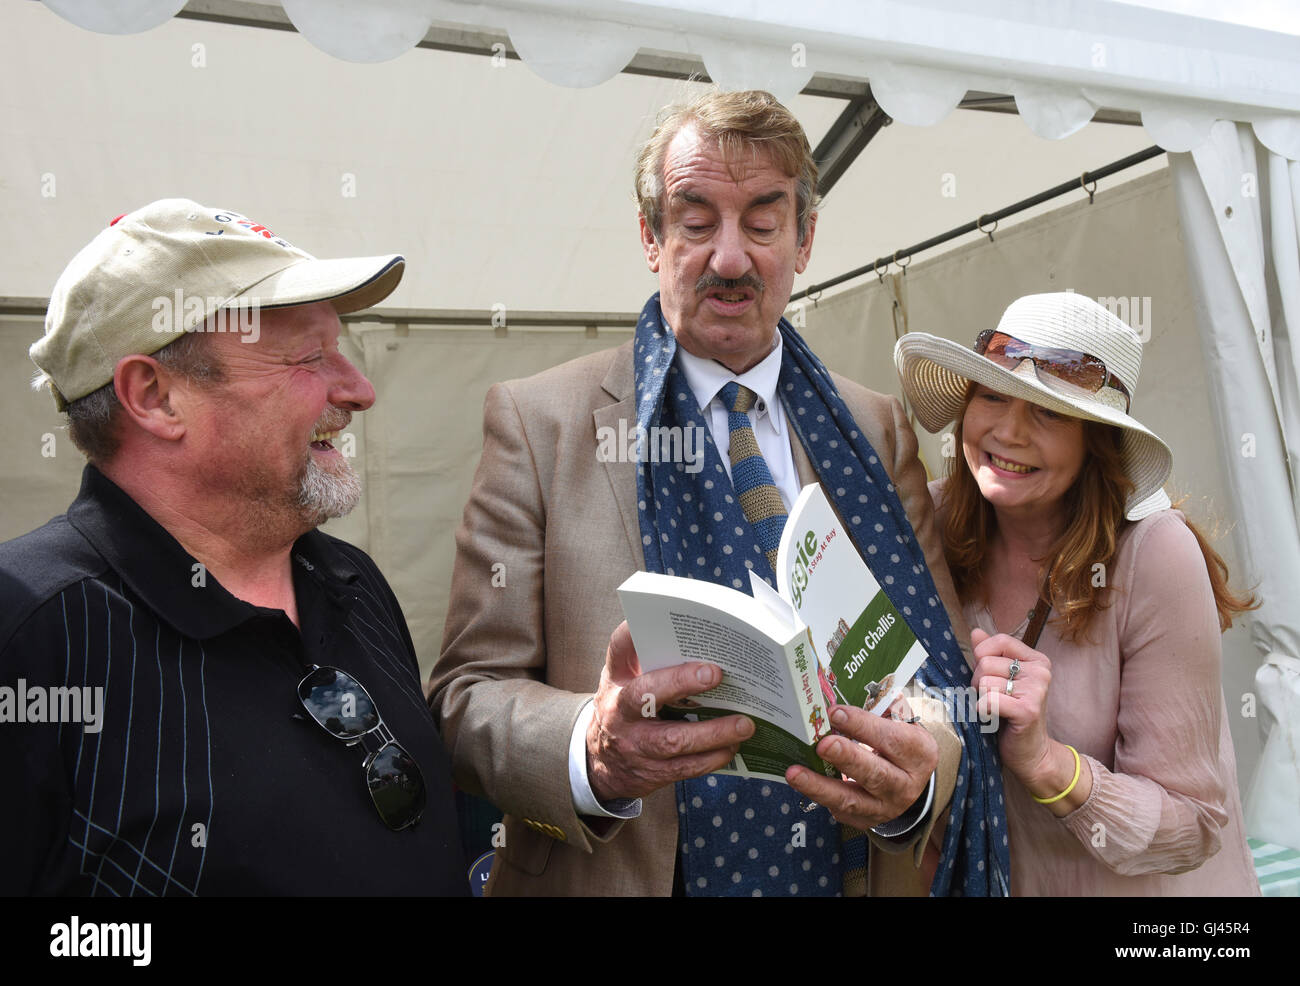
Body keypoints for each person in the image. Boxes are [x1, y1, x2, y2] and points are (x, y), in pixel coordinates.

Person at [430, 90, 1009, 897]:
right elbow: (464, 699)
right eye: (696, 222)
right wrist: (592, 748)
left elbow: (936, 675)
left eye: (764, 223)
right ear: (651, 237)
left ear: (805, 240)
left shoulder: (875, 428)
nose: (730, 259)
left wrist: (917, 779)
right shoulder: (539, 423)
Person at [0, 199, 466, 895]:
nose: (360, 390)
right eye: (310, 358)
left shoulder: (349, 580)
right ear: (155, 397)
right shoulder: (32, 631)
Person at [894, 291, 1261, 895]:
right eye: (993, 395)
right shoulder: (927, 523)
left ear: (1097, 443)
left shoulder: (1154, 554)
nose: (1008, 432)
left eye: (1049, 413)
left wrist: (1046, 763)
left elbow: (1192, 828)